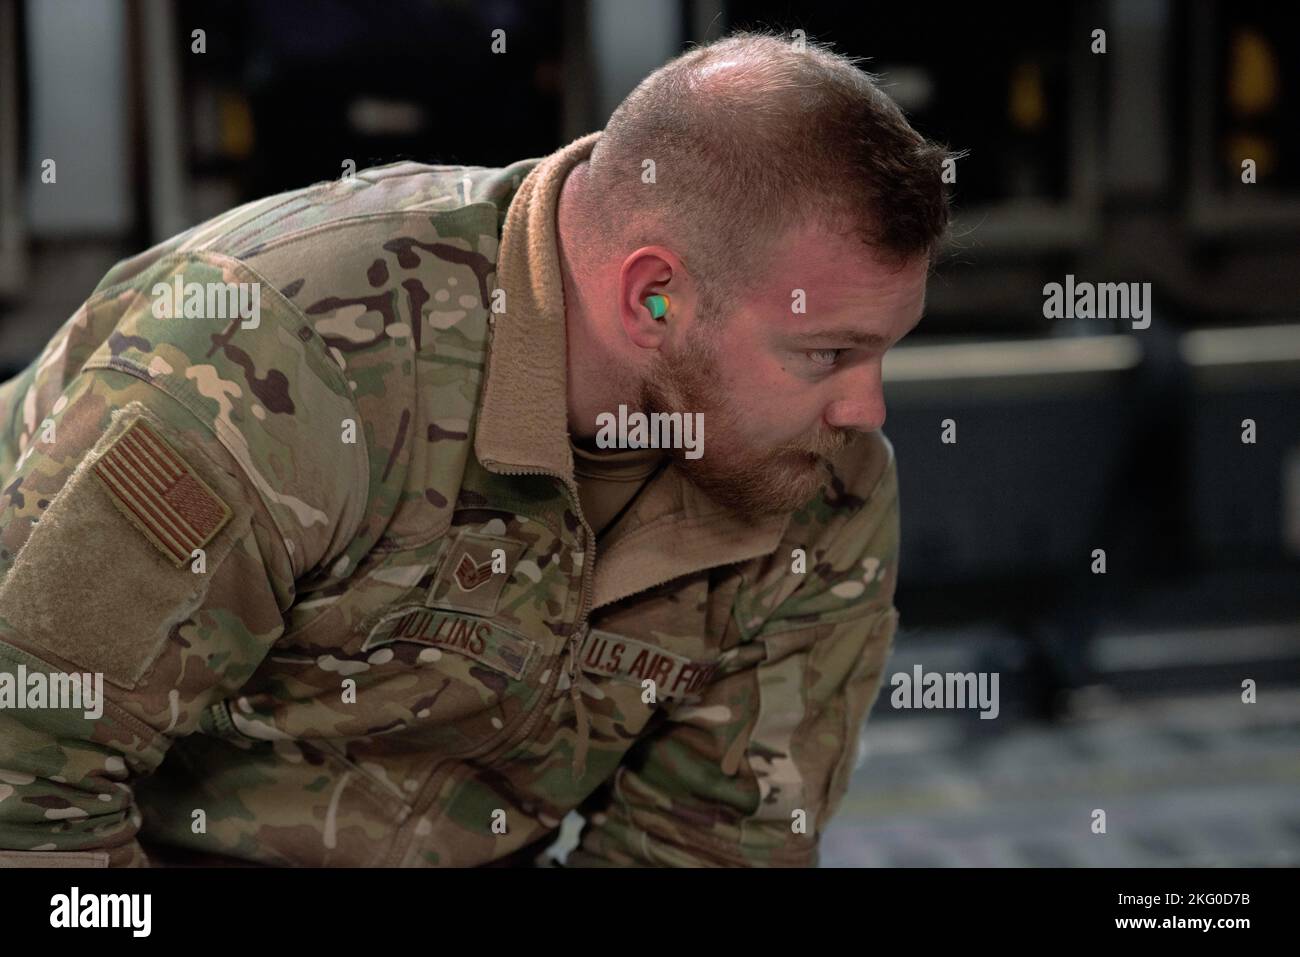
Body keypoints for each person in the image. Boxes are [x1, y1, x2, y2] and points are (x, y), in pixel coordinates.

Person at [0, 30, 952, 867]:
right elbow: (28, 775)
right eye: (827, 353)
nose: (865, 408)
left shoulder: (822, 487)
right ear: (652, 297)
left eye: (881, 350)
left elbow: (708, 845)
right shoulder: (287, 358)